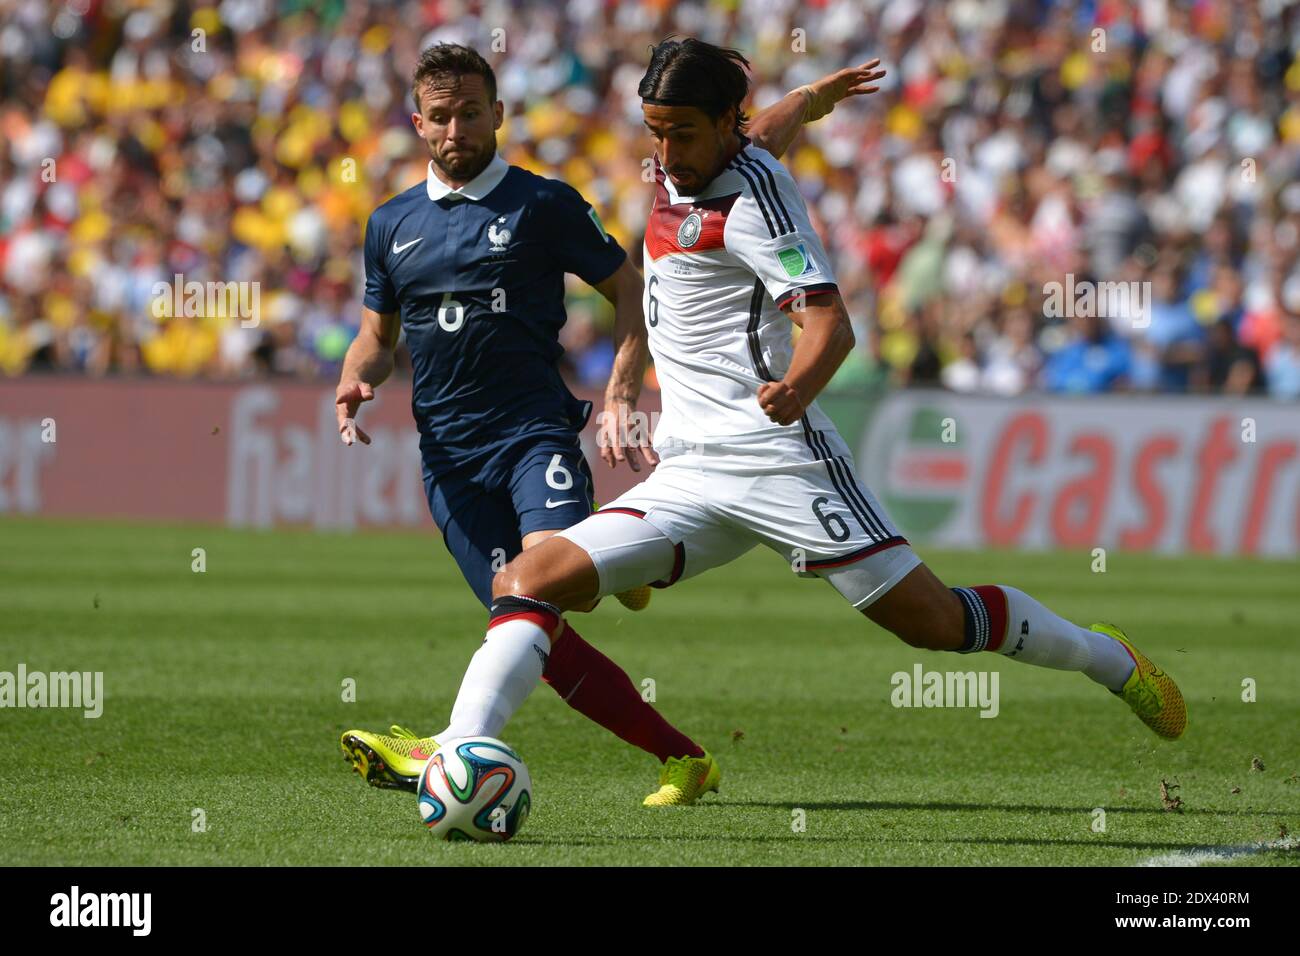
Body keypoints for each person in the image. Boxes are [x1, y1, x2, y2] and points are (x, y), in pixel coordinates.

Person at [427, 39, 1187, 806]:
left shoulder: (756, 204)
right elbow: (767, 131)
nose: (664, 151)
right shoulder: (701, 155)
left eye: (681, 133)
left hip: (780, 459)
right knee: (528, 580)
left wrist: (795, 389)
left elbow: (831, 324)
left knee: (931, 622)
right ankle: (458, 754)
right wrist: (814, 99)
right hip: (691, 470)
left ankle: (1106, 659)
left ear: (723, 122)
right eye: (653, 132)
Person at [335, 42, 887, 806]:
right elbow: (376, 334)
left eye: (470, 113)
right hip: (448, 460)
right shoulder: (390, 224)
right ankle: (683, 757)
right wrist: (358, 375)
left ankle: (451, 745)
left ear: (498, 115)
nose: (456, 129)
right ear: (418, 124)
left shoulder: (546, 205)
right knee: (529, 619)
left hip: (533, 436)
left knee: (547, 591)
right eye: (440, 116)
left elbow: (631, 288)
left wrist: (622, 391)